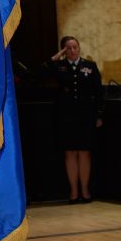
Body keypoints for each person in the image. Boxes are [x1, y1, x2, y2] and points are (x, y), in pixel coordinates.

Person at [48, 36, 103, 203]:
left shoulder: (89, 66)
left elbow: (98, 92)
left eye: (75, 47)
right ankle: (73, 191)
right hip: (66, 117)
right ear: (63, 50)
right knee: (70, 153)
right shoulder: (60, 67)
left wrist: (99, 114)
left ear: (79, 48)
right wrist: (56, 57)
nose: (72, 51)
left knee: (85, 153)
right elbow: (40, 72)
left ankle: (85, 191)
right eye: (68, 48)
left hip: (85, 116)